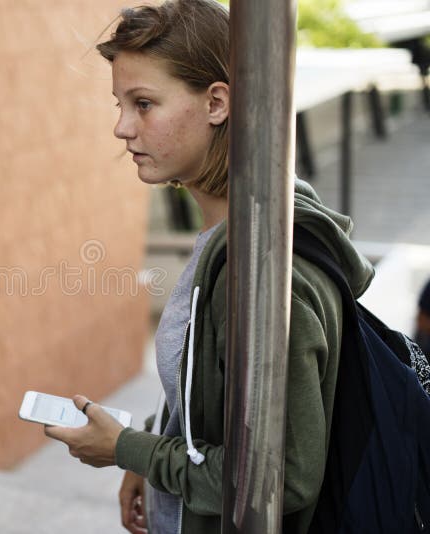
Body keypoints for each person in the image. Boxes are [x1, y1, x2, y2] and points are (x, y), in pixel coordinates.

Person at [44, 1, 374, 533]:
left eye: (144, 103)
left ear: (217, 102)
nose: (122, 128)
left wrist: (133, 451)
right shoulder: (229, 239)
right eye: (120, 103)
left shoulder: (265, 274)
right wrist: (152, 449)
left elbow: (280, 479)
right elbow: (217, 401)